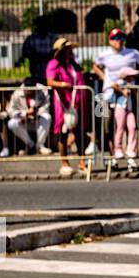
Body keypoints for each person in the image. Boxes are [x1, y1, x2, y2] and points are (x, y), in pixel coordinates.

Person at [93, 27, 139, 171]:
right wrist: (105, 79)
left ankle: (130, 157)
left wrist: (137, 75)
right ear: (110, 41)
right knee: (109, 127)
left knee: (130, 125)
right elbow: (95, 66)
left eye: (121, 38)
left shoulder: (132, 53)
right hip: (108, 95)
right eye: (115, 38)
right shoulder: (104, 54)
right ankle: (114, 156)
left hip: (128, 94)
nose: (119, 41)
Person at [45, 37, 88, 176]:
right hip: (63, 104)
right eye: (67, 49)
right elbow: (50, 81)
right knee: (62, 134)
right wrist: (63, 85)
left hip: (78, 102)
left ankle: (82, 162)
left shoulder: (73, 64)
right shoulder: (54, 64)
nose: (70, 51)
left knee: (81, 133)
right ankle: (65, 163)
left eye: (70, 49)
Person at [7, 77, 53, 155]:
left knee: (47, 117)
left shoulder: (43, 90)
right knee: (11, 123)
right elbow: (10, 110)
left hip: (38, 121)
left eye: (32, 91)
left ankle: (40, 146)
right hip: (24, 122)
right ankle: (30, 145)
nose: (30, 92)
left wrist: (36, 114)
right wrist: (24, 114)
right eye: (28, 90)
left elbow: (46, 106)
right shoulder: (17, 93)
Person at [17, 16, 55, 85]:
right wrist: (36, 56)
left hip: (51, 74)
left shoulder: (53, 38)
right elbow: (25, 53)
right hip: (36, 74)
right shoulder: (31, 39)